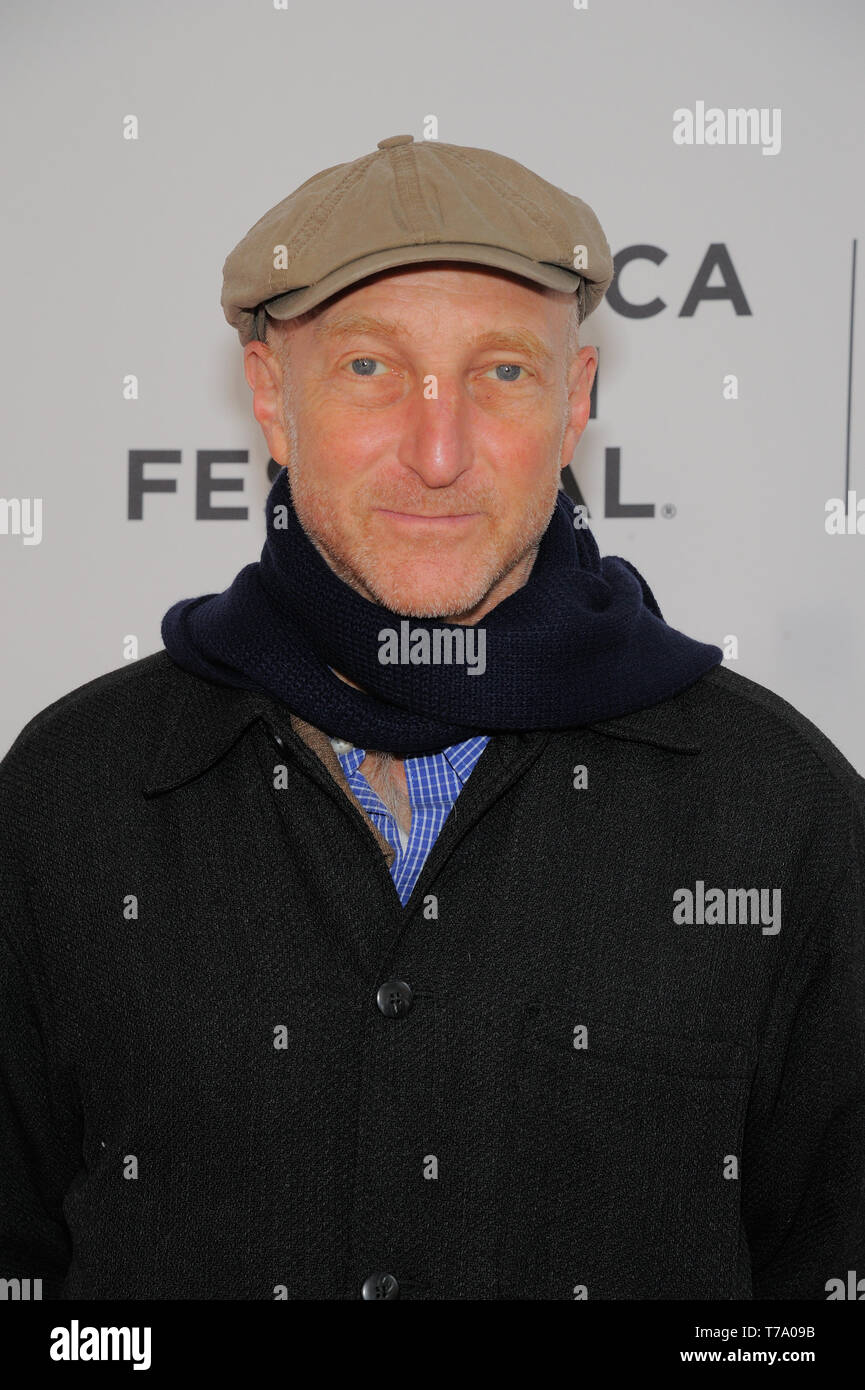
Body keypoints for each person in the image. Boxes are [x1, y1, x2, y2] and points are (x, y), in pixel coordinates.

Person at [1, 134, 863, 1302]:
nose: (438, 451)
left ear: (576, 401)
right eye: (368, 367)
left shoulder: (783, 811)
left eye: (502, 372)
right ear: (269, 395)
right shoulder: (69, 793)